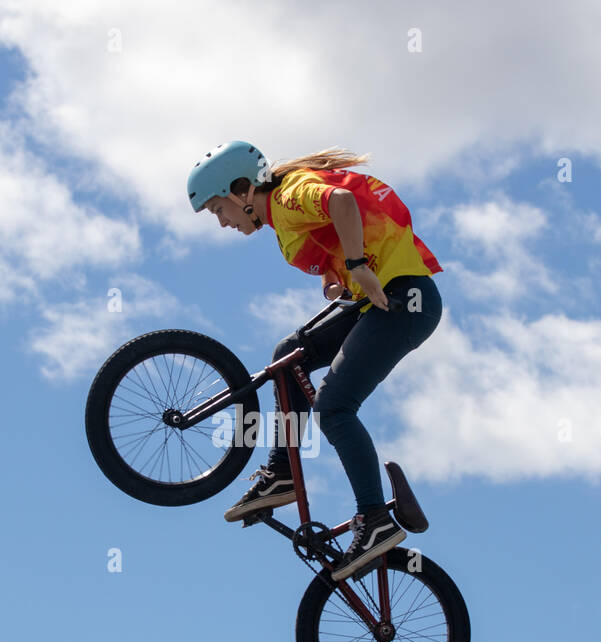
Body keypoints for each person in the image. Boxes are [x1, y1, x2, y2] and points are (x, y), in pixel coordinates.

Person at [187, 141, 443, 581]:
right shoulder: (282, 221)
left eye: (217, 210)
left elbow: (341, 202)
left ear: (241, 190)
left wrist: (359, 264)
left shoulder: (288, 196)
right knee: (288, 356)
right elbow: (333, 235)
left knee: (334, 409)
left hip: (406, 301)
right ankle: (283, 472)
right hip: (377, 302)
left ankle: (374, 520)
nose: (221, 223)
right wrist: (337, 274)